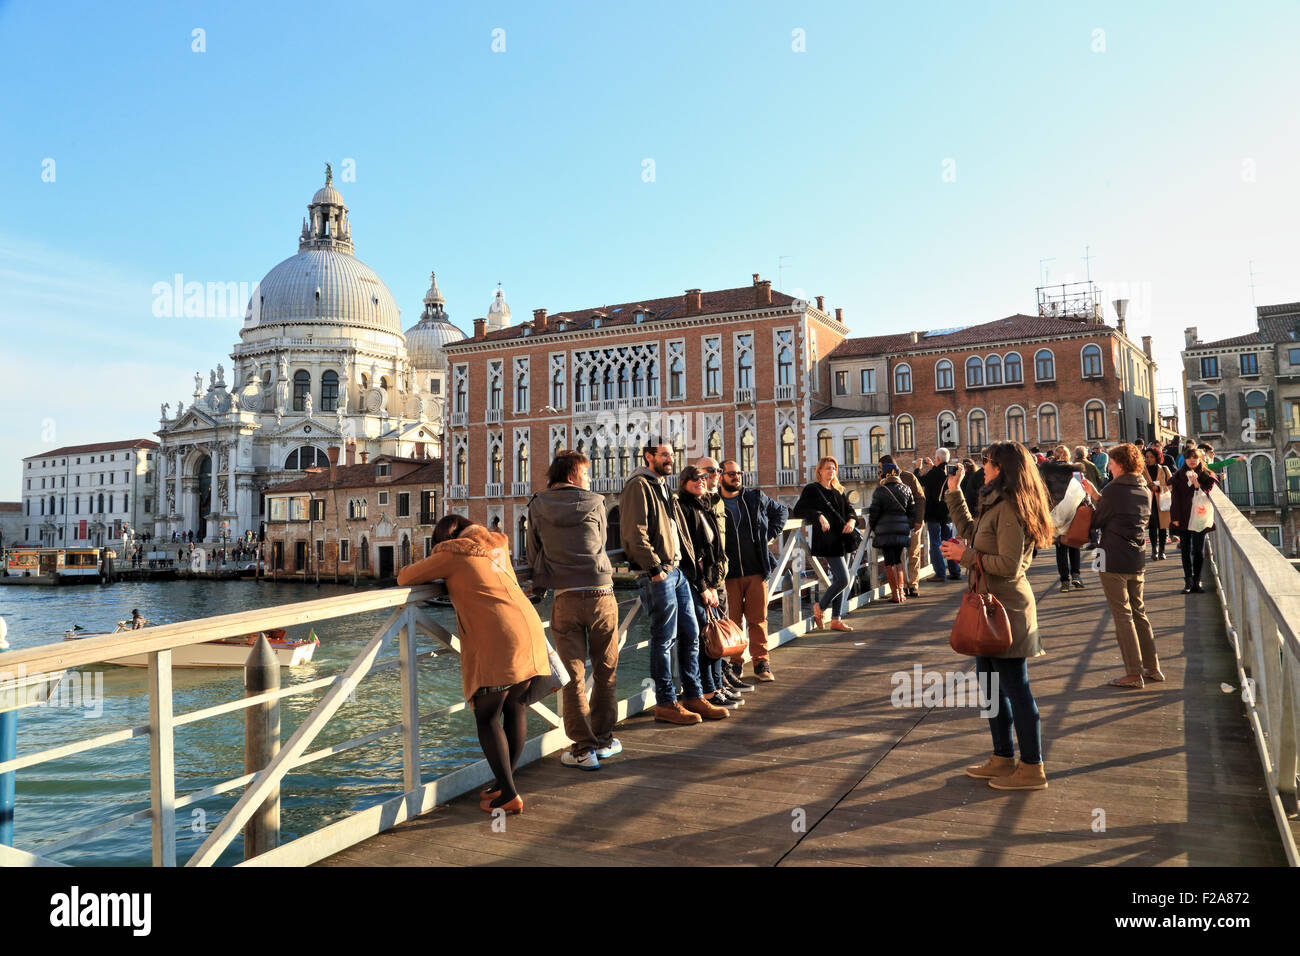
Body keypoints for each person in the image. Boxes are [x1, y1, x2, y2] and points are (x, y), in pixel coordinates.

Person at [397, 514, 550, 814]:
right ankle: (503, 784)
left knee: (487, 716)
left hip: (499, 637)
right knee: (515, 707)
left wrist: (439, 563)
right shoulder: (498, 544)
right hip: (528, 628)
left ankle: (508, 793)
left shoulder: (451, 553)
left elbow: (405, 577)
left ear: (445, 540)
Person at [941, 442, 1055, 791]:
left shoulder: (1011, 509)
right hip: (987, 607)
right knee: (991, 688)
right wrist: (954, 493)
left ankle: (1032, 767)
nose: (984, 468)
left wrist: (967, 557)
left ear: (1002, 469)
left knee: (1016, 689)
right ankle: (1003, 757)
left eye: (988, 463)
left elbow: (1009, 565)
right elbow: (972, 534)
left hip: (1007, 611)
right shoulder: (994, 503)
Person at [527, 450, 621, 771]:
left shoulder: (537, 504)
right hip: (602, 593)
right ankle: (605, 740)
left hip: (566, 596)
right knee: (605, 671)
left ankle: (583, 749)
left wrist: (539, 589)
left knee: (573, 677)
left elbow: (533, 553)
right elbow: (601, 544)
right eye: (587, 474)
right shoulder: (596, 502)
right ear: (572, 476)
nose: (590, 480)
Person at [620, 441, 727, 722]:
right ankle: (666, 702)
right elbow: (634, 532)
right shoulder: (639, 485)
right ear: (648, 456)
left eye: (672, 454)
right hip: (659, 573)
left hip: (677, 571)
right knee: (664, 639)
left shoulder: (663, 486)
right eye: (664, 454)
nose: (670, 458)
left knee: (691, 635)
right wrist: (655, 568)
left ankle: (694, 695)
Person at [1092, 443, 1164, 688]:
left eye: (1111, 463)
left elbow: (1096, 520)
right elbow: (1123, 513)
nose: (1109, 467)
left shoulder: (1112, 489)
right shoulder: (1145, 488)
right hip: (1137, 558)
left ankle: (1133, 673)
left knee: (1122, 615)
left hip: (1112, 558)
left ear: (1120, 464)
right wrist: (1097, 496)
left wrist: (1090, 501)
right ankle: (1152, 666)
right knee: (1139, 612)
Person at [677, 465, 742, 708]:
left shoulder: (704, 507)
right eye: (694, 479)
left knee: (714, 635)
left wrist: (714, 584)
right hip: (695, 582)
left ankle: (716, 686)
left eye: (703, 478)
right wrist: (704, 586)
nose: (700, 481)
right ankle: (707, 691)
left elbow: (714, 550)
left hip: (710, 582)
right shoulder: (683, 508)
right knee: (705, 638)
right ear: (684, 482)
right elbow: (690, 552)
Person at [718, 459, 789, 682]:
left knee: (758, 620)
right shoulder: (713, 503)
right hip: (728, 574)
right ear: (721, 476)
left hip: (756, 569)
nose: (736, 477)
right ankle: (735, 663)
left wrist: (769, 535)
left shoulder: (755, 498)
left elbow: (782, 512)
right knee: (733, 622)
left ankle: (761, 663)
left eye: (739, 473)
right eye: (731, 474)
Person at [697, 457, 752, 695]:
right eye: (710, 470)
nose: (715, 474)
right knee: (706, 636)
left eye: (717, 471)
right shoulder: (688, 502)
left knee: (721, 629)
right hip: (703, 580)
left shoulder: (718, 501)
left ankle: (721, 680)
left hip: (720, 576)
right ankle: (709, 687)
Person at [793, 457, 861, 631]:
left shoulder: (839, 490)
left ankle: (836, 619)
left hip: (844, 539)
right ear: (820, 471)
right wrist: (818, 515)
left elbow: (850, 510)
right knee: (844, 579)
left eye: (833, 468)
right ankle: (820, 607)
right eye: (827, 468)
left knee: (840, 579)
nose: (831, 471)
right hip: (828, 541)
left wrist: (852, 521)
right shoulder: (812, 489)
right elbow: (799, 509)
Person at [1170, 446, 1219, 593]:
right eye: (1189, 457)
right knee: (1185, 549)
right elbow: (1175, 498)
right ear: (1185, 459)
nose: (1192, 460)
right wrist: (1175, 518)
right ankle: (1188, 581)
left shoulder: (1206, 475)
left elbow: (1207, 492)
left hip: (1199, 516)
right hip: (1183, 516)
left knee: (1198, 550)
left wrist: (1197, 483)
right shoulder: (1179, 476)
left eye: (1195, 457)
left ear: (1200, 459)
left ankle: (1197, 580)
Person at [867, 460, 916, 603]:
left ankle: (895, 594)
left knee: (889, 561)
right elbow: (912, 511)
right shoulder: (906, 489)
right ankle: (901, 592)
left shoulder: (880, 490)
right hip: (901, 530)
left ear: (885, 475)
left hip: (885, 530)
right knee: (898, 560)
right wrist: (907, 525)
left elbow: (874, 512)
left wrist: (873, 526)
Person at [1039, 457, 1088, 592]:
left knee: (1060, 549)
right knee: (1074, 544)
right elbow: (1082, 491)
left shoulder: (1047, 473)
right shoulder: (1075, 472)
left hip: (1055, 515)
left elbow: (1042, 494)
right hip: (1072, 514)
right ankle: (1076, 574)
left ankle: (1064, 581)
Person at [882, 454, 925, 597]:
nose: (878, 471)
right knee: (899, 556)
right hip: (896, 525)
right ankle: (903, 586)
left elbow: (920, 499)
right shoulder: (882, 481)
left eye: (880, 467)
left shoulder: (909, 477)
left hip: (913, 523)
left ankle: (913, 585)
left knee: (914, 554)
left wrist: (918, 521)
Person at [919, 449, 962, 581]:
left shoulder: (933, 473)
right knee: (949, 542)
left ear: (937, 459)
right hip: (947, 512)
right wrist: (933, 466)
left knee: (936, 543)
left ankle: (940, 574)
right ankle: (955, 571)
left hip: (933, 513)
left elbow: (921, 480)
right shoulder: (950, 471)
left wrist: (918, 468)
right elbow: (939, 476)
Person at [1142, 446, 1172, 560]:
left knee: (1163, 527)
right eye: (1147, 457)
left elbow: (1172, 485)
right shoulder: (1142, 470)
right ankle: (1154, 550)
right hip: (1149, 502)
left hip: (1162, 500)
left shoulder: (1164, 469)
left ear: (1157, 457)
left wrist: (1159, 489)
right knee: (1152, 526)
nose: (1149, 459)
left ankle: (1162, 551)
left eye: (1151, 457)